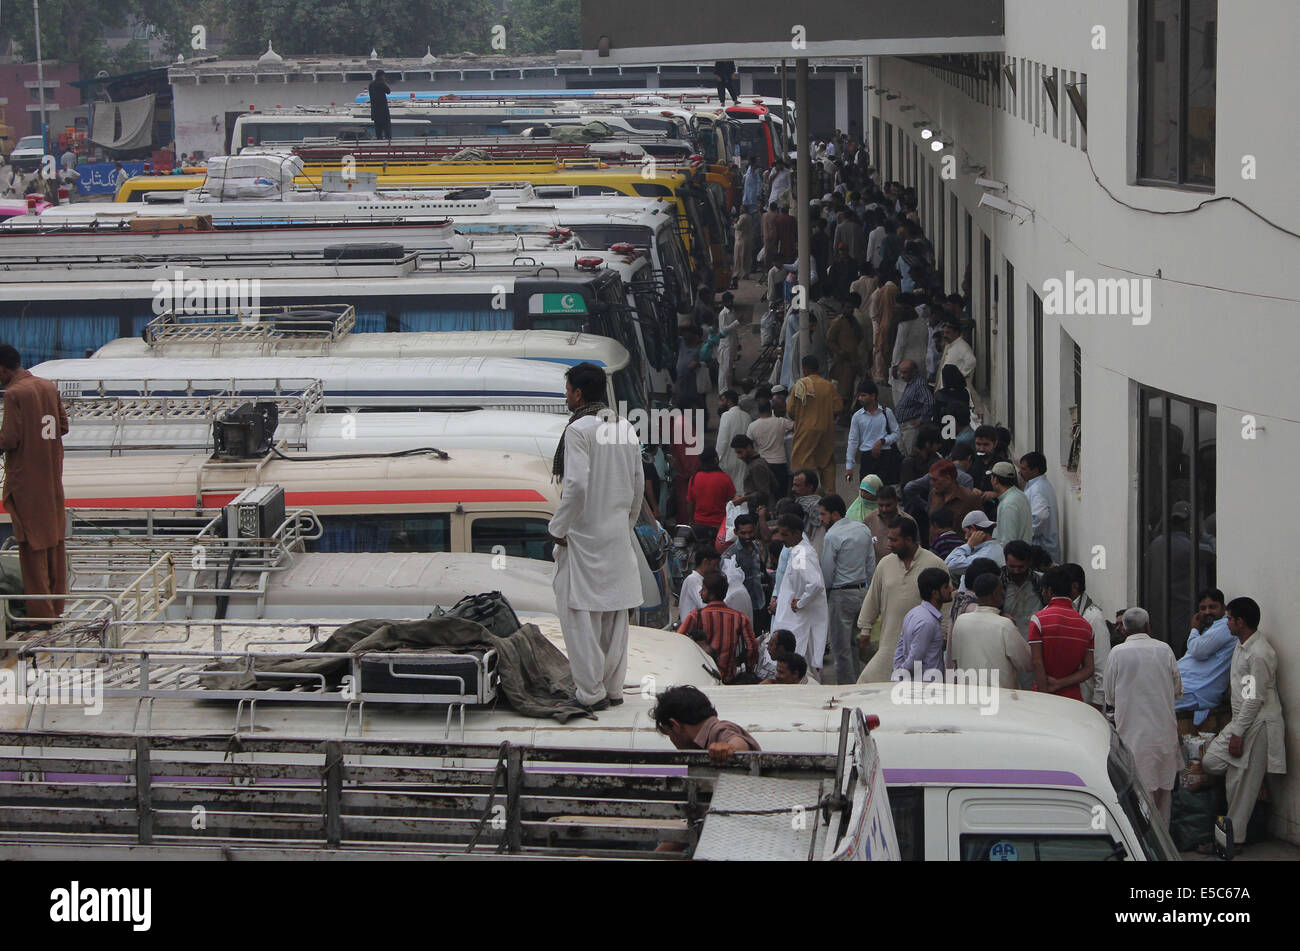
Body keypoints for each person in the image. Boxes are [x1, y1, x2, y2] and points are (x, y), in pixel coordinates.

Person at [548, 363, 645, 713]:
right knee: (614, 616)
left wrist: (558, 529)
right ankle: (612, 688)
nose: (566, 396)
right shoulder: (622, 427)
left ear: (577, 392)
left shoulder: (578, 431)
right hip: (617, 536)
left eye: (568, 389)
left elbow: (575, 486)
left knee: (580, 619)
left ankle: (590, 692)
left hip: (584, 538)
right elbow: (638, 487)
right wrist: (625, 524)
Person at [1200, 597, 1287, 855]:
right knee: (1214, 762)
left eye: (1229, 618)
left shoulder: (1259, 653)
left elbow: (1254, 699)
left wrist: (1238, 733)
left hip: (1257, 723)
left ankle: (1232, 841)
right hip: (1242, 720)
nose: (1225, 622)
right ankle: (1231, 833)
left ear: (1241, 622)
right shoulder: (1243, 645)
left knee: (1244, 785)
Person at [0, 346, 68, 626]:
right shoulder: (47, 386)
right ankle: (57, 605)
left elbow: (9, 440)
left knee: (31, 547)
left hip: (26, 480)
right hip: (51, 477)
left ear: (2, 369)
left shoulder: (15, 394)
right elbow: (62, 425)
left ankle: (41, 615)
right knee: (54, 541)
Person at [1103, 606, 1182, 827]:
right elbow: (1177, 688)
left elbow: (1109, 696)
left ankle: (1144, 847)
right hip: (1164, 735)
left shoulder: (1117, 653)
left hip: (1133, 738)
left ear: (1124, 629)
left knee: (1138, 795)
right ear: (1148, 626)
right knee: (1163, 796)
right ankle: (1163, 844)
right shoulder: (1164, 650)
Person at [856, 518, 947, 682]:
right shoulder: (885, 564)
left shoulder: (935, 564)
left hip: (923, 645)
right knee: (866, 682)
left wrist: (944, 635)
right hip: (889, 643)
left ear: (909, 540)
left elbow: (946, 603)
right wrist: (865, 628)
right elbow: (873, 597)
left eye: (894, 540)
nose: (888, 544)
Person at [819, 493, 875, 684]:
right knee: (853, 645)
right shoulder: (862, 529)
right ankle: (857, 682)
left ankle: (846, 687)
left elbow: (827, 570)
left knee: (841, 648)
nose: (820, 519)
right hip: (861, 591)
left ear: (834, 515)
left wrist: (825, 594)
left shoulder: (832, 535)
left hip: (841, 593)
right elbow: (870, 563)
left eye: (823, 514)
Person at [771, 513, 829, 680]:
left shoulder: (800, 553)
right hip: (798, 619)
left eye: (785, 534)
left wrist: (800, 603)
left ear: (797, 534)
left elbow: (814, 584)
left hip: (800, 620)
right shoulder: (798, 551)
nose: (781, 539)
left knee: (801, 668)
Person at [950, 573, 1032, 688]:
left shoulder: (960, 621)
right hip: (1000, 697)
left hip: (968, 694)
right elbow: (1027, 663)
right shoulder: (1005, 625)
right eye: (1001, 590)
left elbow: (955, 660)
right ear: (995, 594)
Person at [677, 573, 759, 684]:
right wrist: (749, 668)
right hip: (728, 679)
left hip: (702, 678)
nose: (700, 592)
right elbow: (751, 647)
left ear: (711, 594)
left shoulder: (696, 616)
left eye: (704, 589)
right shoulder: (740, 618)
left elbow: (678, 640)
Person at [1028, 567, 1094, 702]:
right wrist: (1061, 683)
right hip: (1073, 699)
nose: (1042, 593)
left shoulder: (1038, 620)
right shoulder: (1086, 627)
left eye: (1043, 589)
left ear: (1049, 590)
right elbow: (1089, 668)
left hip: (1042, 696)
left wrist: (1044, 693)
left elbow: (1037, 662)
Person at [652, 685, 761, 765]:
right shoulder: (700, 744)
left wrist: (729, 748)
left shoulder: (718, 730)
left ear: (675, 725)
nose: (672, 740)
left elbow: (739, 744)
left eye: (669, 734)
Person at [1176, 589, 1237, 726]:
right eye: (1203, 608)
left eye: (1212, 607)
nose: (1207, 612)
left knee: (1150, 703)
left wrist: (1194, 629)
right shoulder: (1208, 629)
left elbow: (1198, 650)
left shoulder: (1225, 627)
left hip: (1197, 692)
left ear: (1223, 608)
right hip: (1186, 688)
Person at [788, 355, 843, 495]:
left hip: (805, 433)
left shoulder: (800, 385)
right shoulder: (828, 386)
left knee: (802, 469)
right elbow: (838, 408)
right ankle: (830, 498)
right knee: (827, 465)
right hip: (826, 432)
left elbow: (791, 411)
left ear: (804, 369)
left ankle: (807, 498)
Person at [1059, 563, 1111, 708]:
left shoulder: (1093, 616)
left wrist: (1098, 701)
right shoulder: (1059, 609)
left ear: (1074, 586)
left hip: (1087, 701)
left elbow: (1102, 662)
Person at [891, 566, 952, 681]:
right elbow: (915, 658)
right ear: (935, 593)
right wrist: (899, 676)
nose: (950, 589)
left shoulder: (913, 613)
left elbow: (899, 649)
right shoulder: (927, 622)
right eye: (946, 587)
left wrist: (897, 671)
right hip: (926, 687)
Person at [844, 380, 899, 486]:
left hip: (885, 458)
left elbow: (896, 433)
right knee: (867, 492)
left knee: (884, 491)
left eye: (863, 395)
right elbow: (853, 441)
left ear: (873, 396)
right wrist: (849, 467)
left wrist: (882, 441)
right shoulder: (857, 416)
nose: (860, 399)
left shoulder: (886, 412)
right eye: (859, 396)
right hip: (867, 459)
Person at [724, 514, 768, 626]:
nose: (747, 536)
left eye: (750, 532)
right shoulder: (731, 555)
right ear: (736, 532)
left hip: (759, 602)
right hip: (742, 607)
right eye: (743, 533)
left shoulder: (756, 548)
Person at [685, 449, 734, 547]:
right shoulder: (725, 478)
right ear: (716, 460)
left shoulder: (694, 478)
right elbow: (731, 503)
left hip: (698, 526)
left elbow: (690, 502)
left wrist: (691, 521)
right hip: (718, 526)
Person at [1018, 451, 1061, 565]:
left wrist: (1026, 534)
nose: (1020, 472)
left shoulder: (1037, 489)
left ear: (1035, 470)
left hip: (1041, 547)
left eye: (1023, 469)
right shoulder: (1041, 484)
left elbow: (1041, 516)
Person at [746, 399, 793, 494]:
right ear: (771, 409)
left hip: (762, 463)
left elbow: (748, 444)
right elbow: (797, 427)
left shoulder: (752, 426)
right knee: (781, 493)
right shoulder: (781, 422)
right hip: (780, 462)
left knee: (765, 493)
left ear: (758, 410)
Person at [826, 298, 861, 423]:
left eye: (851, 308)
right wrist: (840, 351)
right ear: (842, 309)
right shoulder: (839, 322)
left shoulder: (855, 322)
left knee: (852, 390)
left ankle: (846, 415)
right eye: (847, 308)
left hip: (854, 361)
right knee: (843, 391)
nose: (849, 310)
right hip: (843, 362)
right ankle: (840, 415)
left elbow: (859, 338)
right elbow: (829, 340)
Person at [863, 485, 915, 565]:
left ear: (896, 502)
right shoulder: (869, 520)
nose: (884, 509)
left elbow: (915, 548)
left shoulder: (908, 521)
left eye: (888, 505)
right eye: (881, 505)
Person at [892, 359, 933, 457]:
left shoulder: (919, 384)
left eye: (905, 372)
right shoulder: (911, 383)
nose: (902, 375)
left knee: (911, 456)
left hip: (910, 427)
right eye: (900, 372)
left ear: (914, 371)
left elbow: (929, 402)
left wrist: (921, 419)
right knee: (903, 455)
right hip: (901, 426)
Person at [730, 434, 780, 513]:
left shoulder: (757, 466)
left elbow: (763, 494)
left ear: (749, 447)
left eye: (740, 452)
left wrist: (743, 499)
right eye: (737, 453)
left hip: (761, 510)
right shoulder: (754, 463)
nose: (738, 456)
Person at [945, 511, 1005, 575]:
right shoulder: (994, 548)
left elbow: (948, 565)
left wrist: (969, 545)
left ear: (973, 530)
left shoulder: (985, 554)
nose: (965, 537)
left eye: (966, 532)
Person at [987, 461, 1033, 546]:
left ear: (995, 480)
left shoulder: (1008, 504)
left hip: (1014, 556)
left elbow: (1008, 541)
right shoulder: (1019, 495)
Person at [678, 547, 721, 622]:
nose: (716, 569)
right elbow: (702, 604)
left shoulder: (701, 579)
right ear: (705, 562)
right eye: (715, 565)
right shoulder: (693, 579)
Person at [937, 319, 976, 387]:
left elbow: (972, 361)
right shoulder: (950, 345)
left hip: (957, 390)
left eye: (948, 332)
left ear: (956, 332)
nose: (945, 335)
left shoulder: (962, 346)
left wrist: (959, 377)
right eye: (944, 332)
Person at [368, 69, 392, 141]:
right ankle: (388, 142)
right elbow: (388, 91)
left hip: (375, 110)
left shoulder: (371, 84)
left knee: (378, 130)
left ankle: (379, 141)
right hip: (383, 110)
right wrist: (384, 83)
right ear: (381, 76)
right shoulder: (381, 83)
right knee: (387, 128)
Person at [732, 213, 753, 288]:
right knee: (746, 258)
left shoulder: (742, 217)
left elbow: (737, 226)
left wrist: (733, 223)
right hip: (748, 239)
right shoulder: (750, 216)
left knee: (739, 258)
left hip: (740, 240)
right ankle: (746, 273)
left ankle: (738, 273)